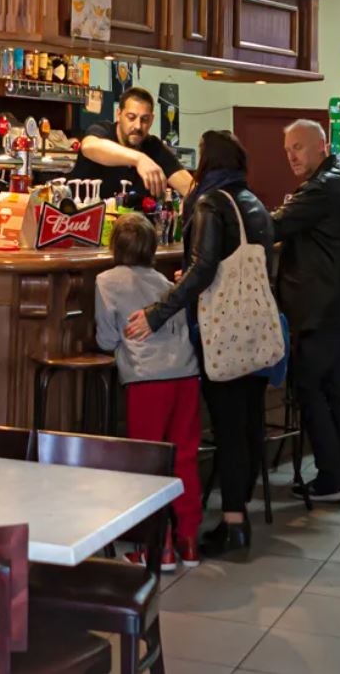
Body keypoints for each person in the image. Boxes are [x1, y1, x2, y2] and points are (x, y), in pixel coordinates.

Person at [126, 131, 275, 558]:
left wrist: (157, 313)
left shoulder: (211, 202)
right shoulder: (255, 203)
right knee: (247, 425)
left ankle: (232, 525)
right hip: (255, 329)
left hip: (223, 331)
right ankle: (239, 514)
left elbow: (205, 268)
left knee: (228, 426)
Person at [96, 214, 201, 569]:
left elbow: (107, 338)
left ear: (115, 247)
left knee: (148, 462)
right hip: (187, 373)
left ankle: (158, 546)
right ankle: (188, 540)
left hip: (146, 379)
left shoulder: (106, 280)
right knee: (184, 456)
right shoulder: (164, 281)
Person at [273, 119, 340, 503]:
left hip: (322, 310)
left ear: (321, 146)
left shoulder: (322, 188)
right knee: (337, 392)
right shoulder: (334, 182)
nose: (292, 155)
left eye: (298, 146)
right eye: (288, 150)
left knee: (312, 388)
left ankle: (333, 478)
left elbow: (272, 227)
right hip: (337, 307)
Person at [69, 86, 194, 200]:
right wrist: (139, 159)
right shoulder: (103, 131)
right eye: (131, 117)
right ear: (118, 114)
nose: (138, 126)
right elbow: (89, 147)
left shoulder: (153, 147)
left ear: (151, 120)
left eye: (144, 119)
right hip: (85, 221)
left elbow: (191, 190)